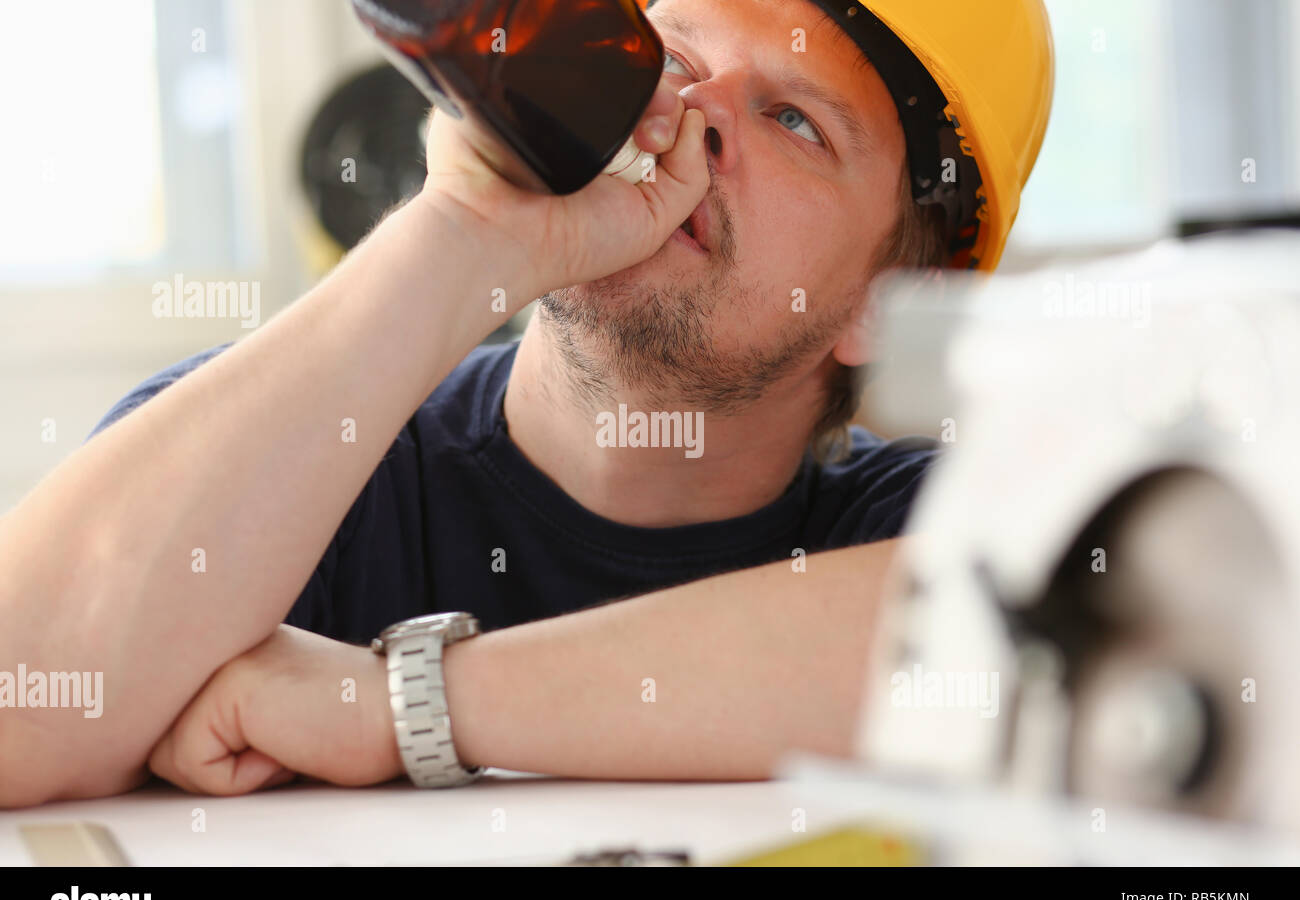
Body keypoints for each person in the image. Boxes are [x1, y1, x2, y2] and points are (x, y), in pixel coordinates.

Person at [0, 0, 1053, 806]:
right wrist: (465, 229)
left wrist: (400, 704)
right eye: (676, 61)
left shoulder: (917, 526)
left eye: (794, 120)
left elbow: (1026, 643)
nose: (693, 118)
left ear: (891, 303)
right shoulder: (295, 451)